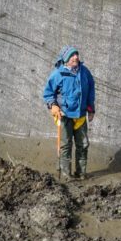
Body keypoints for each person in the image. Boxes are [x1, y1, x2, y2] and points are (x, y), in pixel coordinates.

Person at [43, 46, 95, 180]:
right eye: (72, 55)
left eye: (76, 55)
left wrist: (91, 108)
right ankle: (66, 175)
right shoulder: (58, 74)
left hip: (80, 116)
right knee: (65, 145)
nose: (76, 57)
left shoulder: (84, 72)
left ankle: (81, 173)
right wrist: (53, 105)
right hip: (64, 115)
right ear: (65, 59)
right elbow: (48, 93)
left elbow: (91, 90)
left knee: (83, 145)